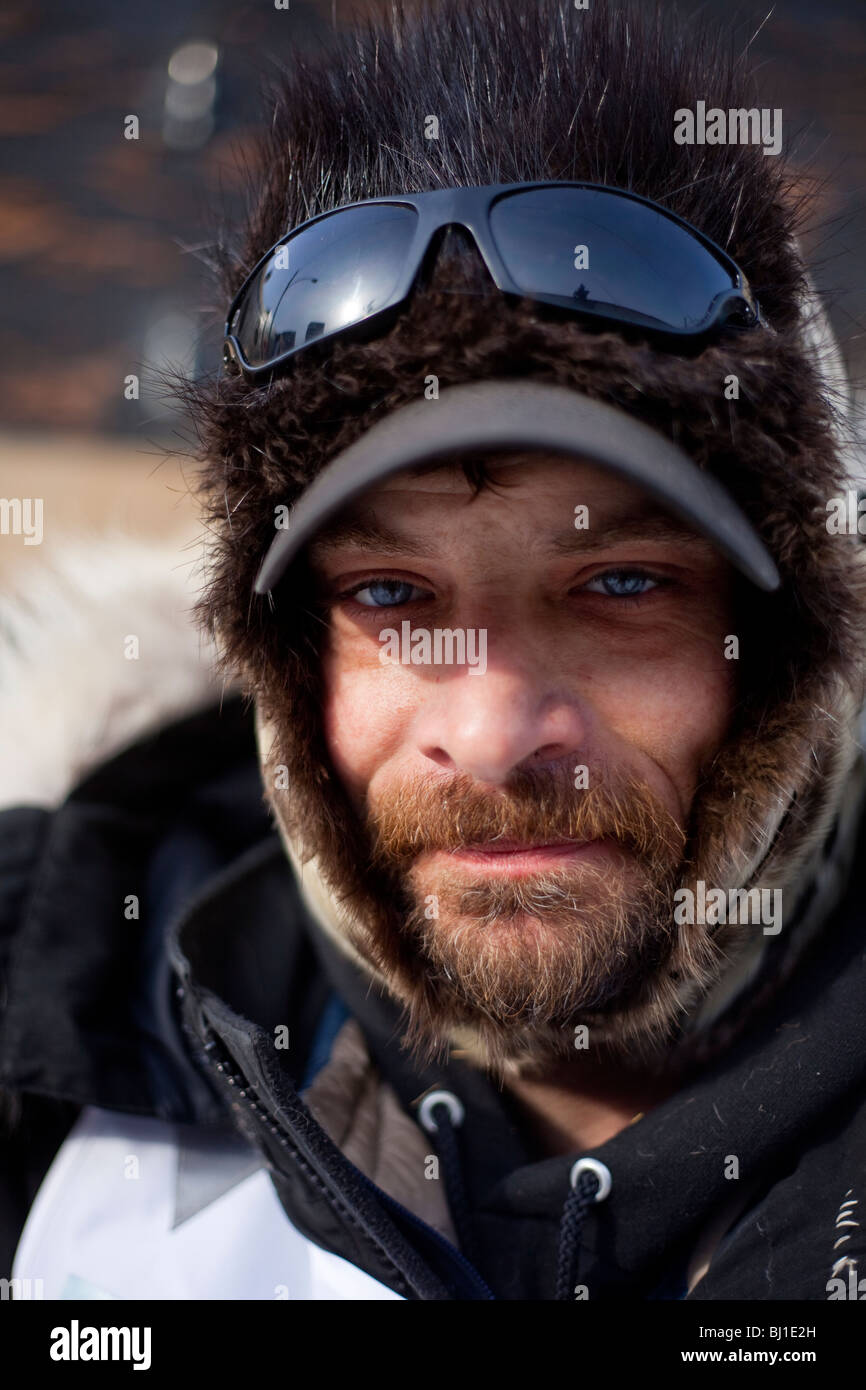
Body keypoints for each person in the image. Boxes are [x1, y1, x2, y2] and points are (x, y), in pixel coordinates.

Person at [2, 0, 865, 1302]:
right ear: (284, 665)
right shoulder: (46, 1021)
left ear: (790, 655)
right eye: (393, 593)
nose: (496, 729)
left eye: (620, 581)